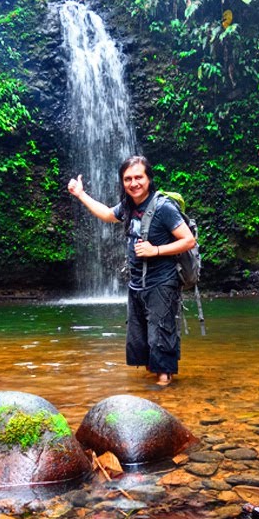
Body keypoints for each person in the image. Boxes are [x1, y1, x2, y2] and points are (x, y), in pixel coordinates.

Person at [68, 156, 196, 386]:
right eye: (128, 179)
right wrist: (80, 194)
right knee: (141, 340)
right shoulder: (129, 206)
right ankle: (154, 386)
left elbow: (188, 241)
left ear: (149, 179)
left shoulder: (163, 207)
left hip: (162, 283)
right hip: (137, 283)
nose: (133, 183)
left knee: (161, 337)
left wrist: (155, 250)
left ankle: (163, 391)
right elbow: (108, 214)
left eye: (139, 177)